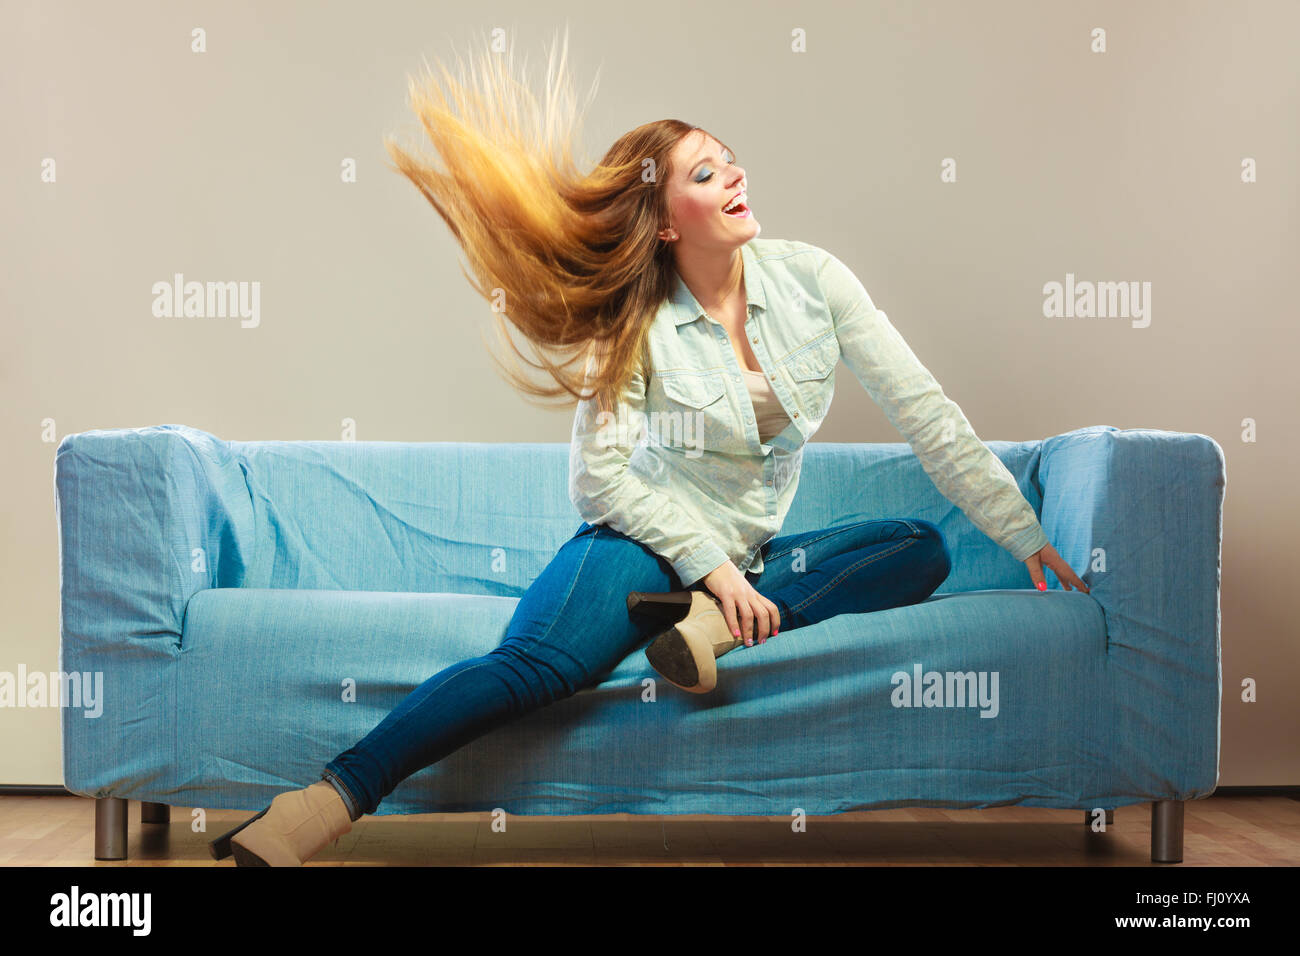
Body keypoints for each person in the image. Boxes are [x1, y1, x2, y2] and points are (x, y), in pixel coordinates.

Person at [210, 29, 1089, 867]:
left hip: (750, 563)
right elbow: (598, 481)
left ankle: (709, 627)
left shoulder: (814, 282)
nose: (736, 173)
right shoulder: (634, 322)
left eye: (729, 158)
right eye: (706, 172)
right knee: (532, 669)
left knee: (917, 547)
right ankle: (315, 809)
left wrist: (1023, 531)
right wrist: (711, 567)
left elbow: (926, 413)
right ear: (666, 223)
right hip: (639, 546)